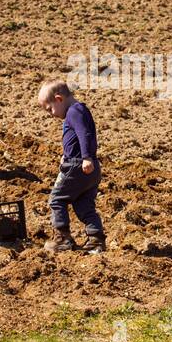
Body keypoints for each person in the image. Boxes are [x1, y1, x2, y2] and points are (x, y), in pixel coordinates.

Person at [37, 80, 105, 254]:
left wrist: (86, 158)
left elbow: (84, 134)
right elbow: (78, 138)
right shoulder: (79, 111)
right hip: (90, 168)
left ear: (59, 99)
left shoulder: (74, 112)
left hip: (78, 167)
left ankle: (63, 238)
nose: (51, 114)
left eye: (50, 109)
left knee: (57, 199)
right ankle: (96, 239)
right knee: (83, 205)